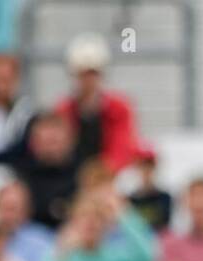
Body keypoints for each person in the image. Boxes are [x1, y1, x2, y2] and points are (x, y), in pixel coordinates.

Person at [52, 34, 141, 173]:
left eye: (92, 74)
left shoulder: (118, 108)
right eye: (83, 74)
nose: (88, 80)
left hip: (109, 176)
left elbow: (123, 147)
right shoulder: (63, 109)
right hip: (72, 177)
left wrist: (103, 172)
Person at [13, 112, 79, 229]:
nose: (50, 149)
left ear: (70, 140)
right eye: (44, 142)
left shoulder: (85, 172)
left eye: (54, 141)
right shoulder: (20, 173)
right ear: (32, 144)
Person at [127, 147, 173, 231]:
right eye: (142, 166)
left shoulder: (165, 198)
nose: (146, 171)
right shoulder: (130, 200)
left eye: (149, 166)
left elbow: (165, 228)